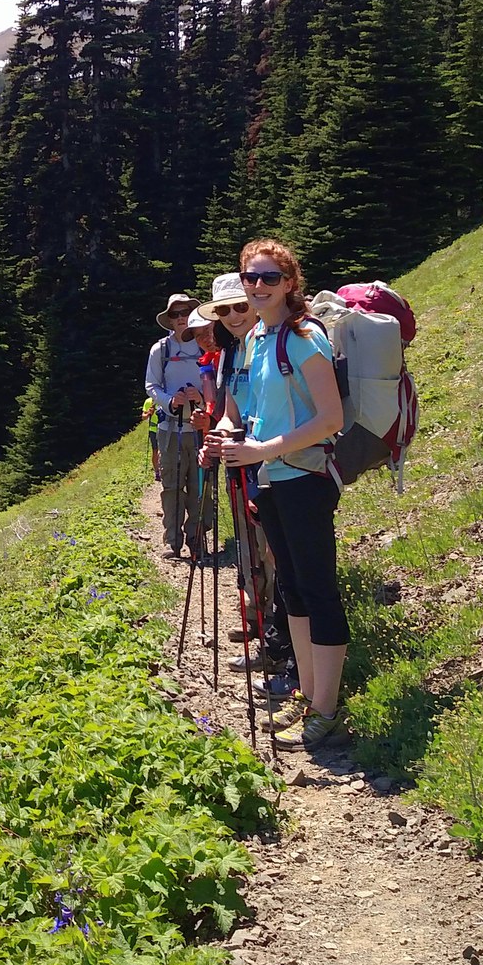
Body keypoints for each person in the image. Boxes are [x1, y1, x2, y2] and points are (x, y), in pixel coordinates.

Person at [208, 239, 350, 751]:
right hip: (269, 478)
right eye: (251, 278)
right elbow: (239, 409)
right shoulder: (255, 341)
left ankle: (327, 710)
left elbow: (330, 418)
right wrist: (227, 432)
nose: (259, 287)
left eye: (270, 278)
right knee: (292, 588)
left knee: (317, 590)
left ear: (291, 283)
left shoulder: (302, 337)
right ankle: (310, 700)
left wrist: (264, 446)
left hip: (305, 477)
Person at [203, 274, 291, 686]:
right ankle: (270, 641)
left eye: (240, 306)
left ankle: (283, 652)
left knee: (277, 556)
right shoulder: (230, 352)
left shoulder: (269, 342)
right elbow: (231, 410)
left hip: (275, 463)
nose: (234, 315)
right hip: (244, 461)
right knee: (253, 550)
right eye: (224, 310)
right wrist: (221, 431)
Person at [144, 293, 204, 559]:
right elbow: (151, 385)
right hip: (171, 429)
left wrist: (200, 398)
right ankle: (172, 540)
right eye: (176, 314)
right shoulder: (161, 349)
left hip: (202, 428)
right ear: (169, 320)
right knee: (172, 486)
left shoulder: (206, 347)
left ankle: (197, 537)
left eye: (186, 312)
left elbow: (217, 382)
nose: (181, 318)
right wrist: (170, 401)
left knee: (200, 487)